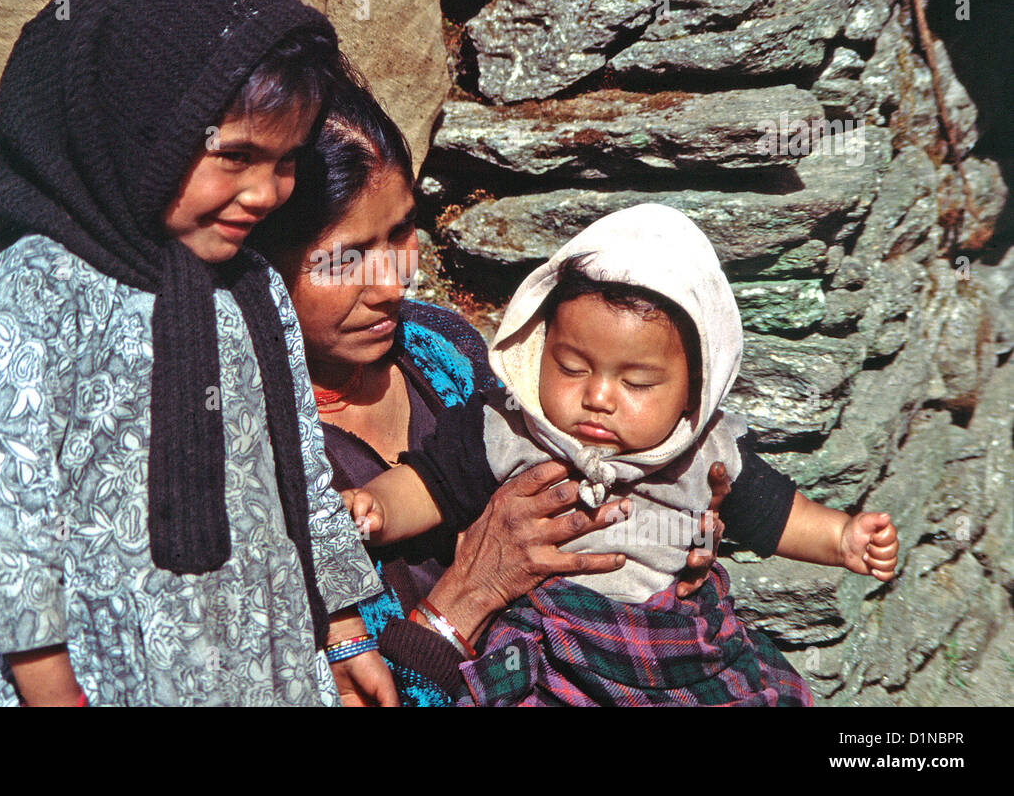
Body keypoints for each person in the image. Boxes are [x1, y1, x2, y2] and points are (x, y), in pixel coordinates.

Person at [0, 0, 397, 706]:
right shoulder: (42, 290)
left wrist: (341, 624)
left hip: (251, 648)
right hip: (92, 662)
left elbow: (298, 469)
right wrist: (50, 687)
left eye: (284, 163)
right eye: (236, 156)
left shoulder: (251, 287)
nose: (265, 192)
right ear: (133, 135)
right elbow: (2, 505)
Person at [249, 82, 752, 706]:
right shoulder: (249, 455)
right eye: (345, 257)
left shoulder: (441, 347)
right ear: (262, 259)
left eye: (402, 229)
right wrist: (470, 594)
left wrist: (671, 538)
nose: (392, 283)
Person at [346, 203, 901, 705]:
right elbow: (433, 483)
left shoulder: (705, 454)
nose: (598, 397)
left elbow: (775, 515)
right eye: (571, 367)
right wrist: (377, 507)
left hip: (674, 644)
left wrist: (842, 539)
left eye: (637, 383)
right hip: (553, 648)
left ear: (693, 390)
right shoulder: (510, 430)